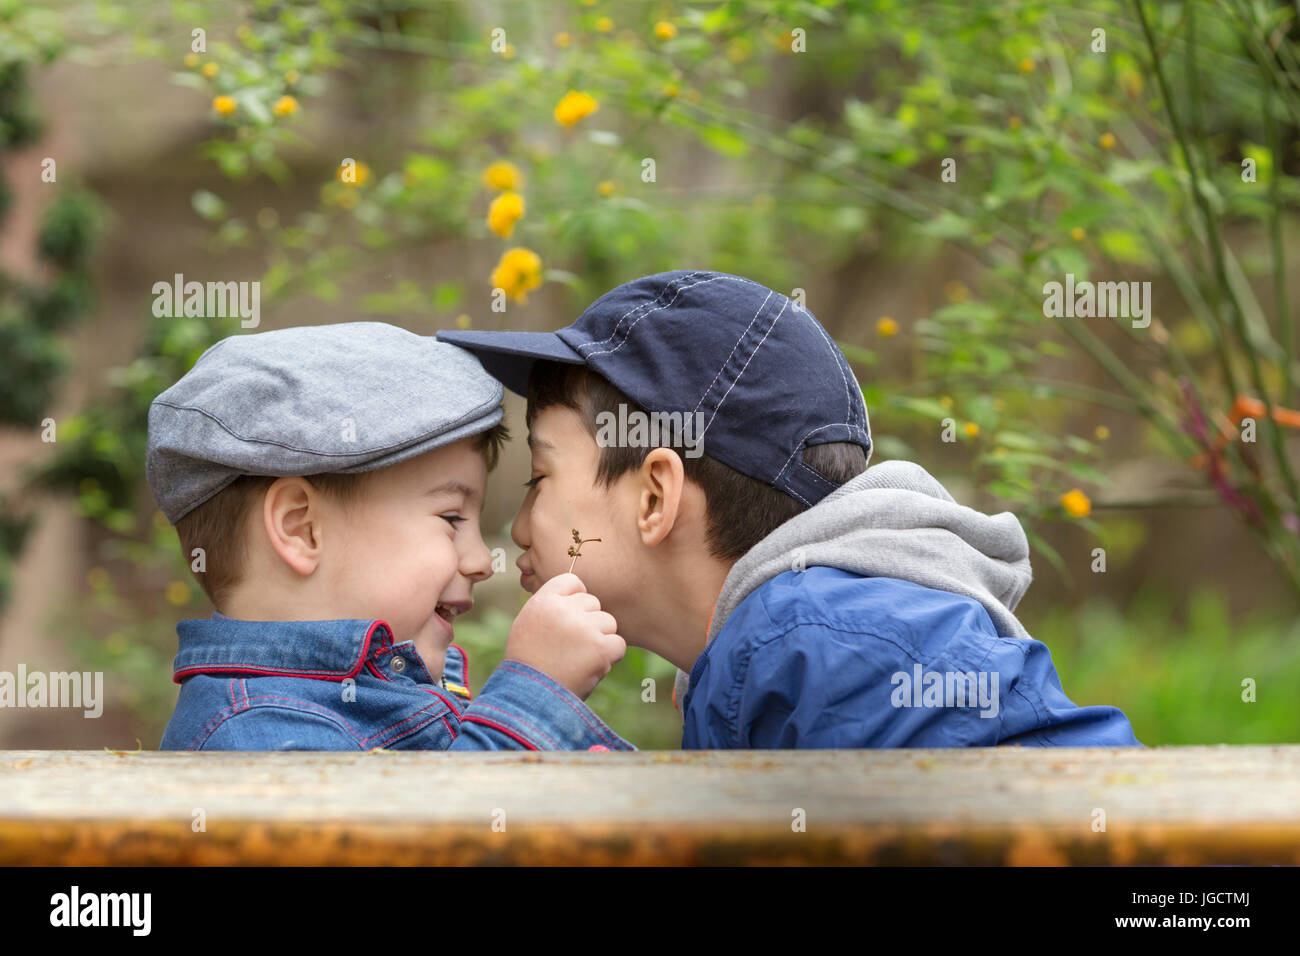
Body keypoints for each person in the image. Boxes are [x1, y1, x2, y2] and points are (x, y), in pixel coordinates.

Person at [439, 270, 1142, 748]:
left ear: (655, 496)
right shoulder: (787, 641)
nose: (520, 526)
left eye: (538, 477)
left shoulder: (802, 642)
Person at [148, 322, 630, 751]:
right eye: (452, 519)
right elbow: (437, 844)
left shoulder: (370, 697)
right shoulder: (258, 737)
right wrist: (536, 695)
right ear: (300, 528)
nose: (483, 560)